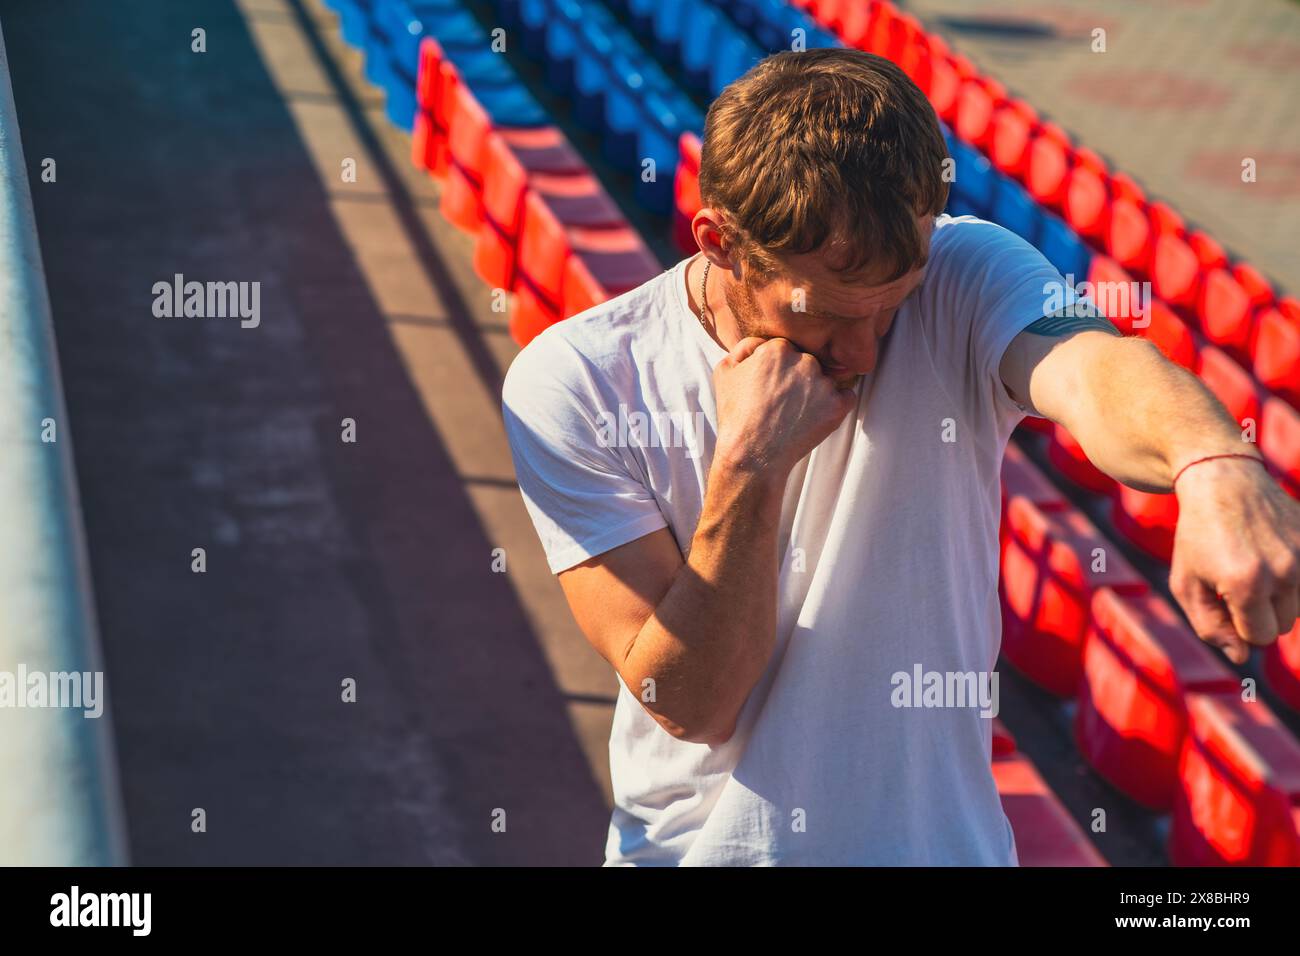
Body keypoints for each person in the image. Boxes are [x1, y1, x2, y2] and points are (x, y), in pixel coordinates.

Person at [500, 48, 1300, 865]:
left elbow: (1094, 368)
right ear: (721, 243)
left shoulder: (963, 268)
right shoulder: (578, 382)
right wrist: (749, 467)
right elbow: (692, 703)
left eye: (894, 306)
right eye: (831, 314)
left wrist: (1212, 465)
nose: (867, 349)